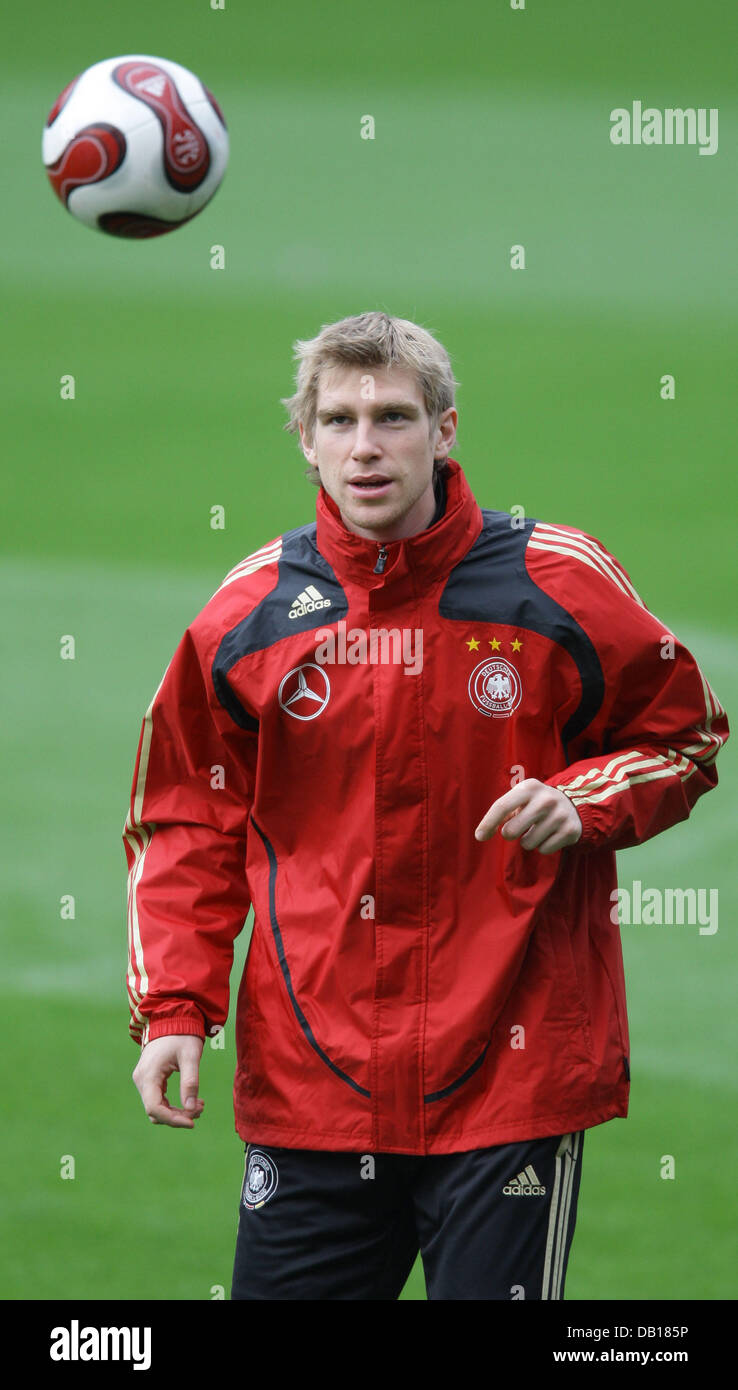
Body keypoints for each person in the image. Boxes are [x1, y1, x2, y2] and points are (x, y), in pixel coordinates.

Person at [126, 311, 728, 1301]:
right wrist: (175, 1007)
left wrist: (584, 800)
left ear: (445, 430)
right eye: (341, 419)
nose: (367, 445)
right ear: (306, 438)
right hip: (311, 1088)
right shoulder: (249, 614)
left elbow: (687, 735)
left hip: (512, 1083)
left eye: (395, 416)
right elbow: (186, 819)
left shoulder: (556, 582)